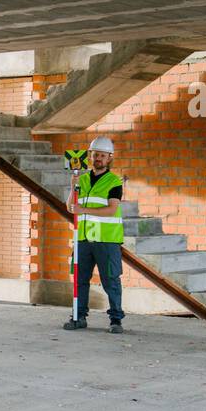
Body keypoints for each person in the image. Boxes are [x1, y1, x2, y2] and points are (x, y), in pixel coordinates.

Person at [63, 136, 125, 335]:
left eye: (102, 155)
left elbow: (112, 210)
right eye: (94, 154)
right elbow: (70, 206)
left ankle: (116, 319)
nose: (97, 158)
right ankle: (78, 316)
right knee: (79, 280)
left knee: (110, 280)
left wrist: (84, 210)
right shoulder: (81, 179)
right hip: (83, 239)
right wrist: (73, 186)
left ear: (109, 158)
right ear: (89, 156)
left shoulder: (114, 181)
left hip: (106, 240)